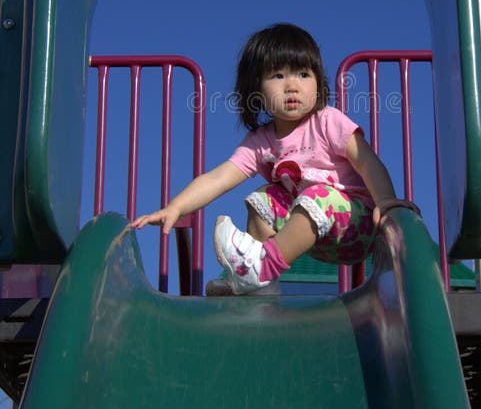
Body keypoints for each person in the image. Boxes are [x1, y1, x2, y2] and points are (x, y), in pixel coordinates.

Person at [131, 23, 417, 295]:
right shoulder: (262, 142)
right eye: (278, 76)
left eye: (303, 75)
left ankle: (261, 268)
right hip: (308, 235)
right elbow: (219, 178)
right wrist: (176, 207)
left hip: (357, 226)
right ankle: (261, 284)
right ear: (256, 91)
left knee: (319, 195)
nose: (292, 85)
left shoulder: (327, 121)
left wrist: (385, 203)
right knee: (262, 199)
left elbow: (366, 161)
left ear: (318, 83)